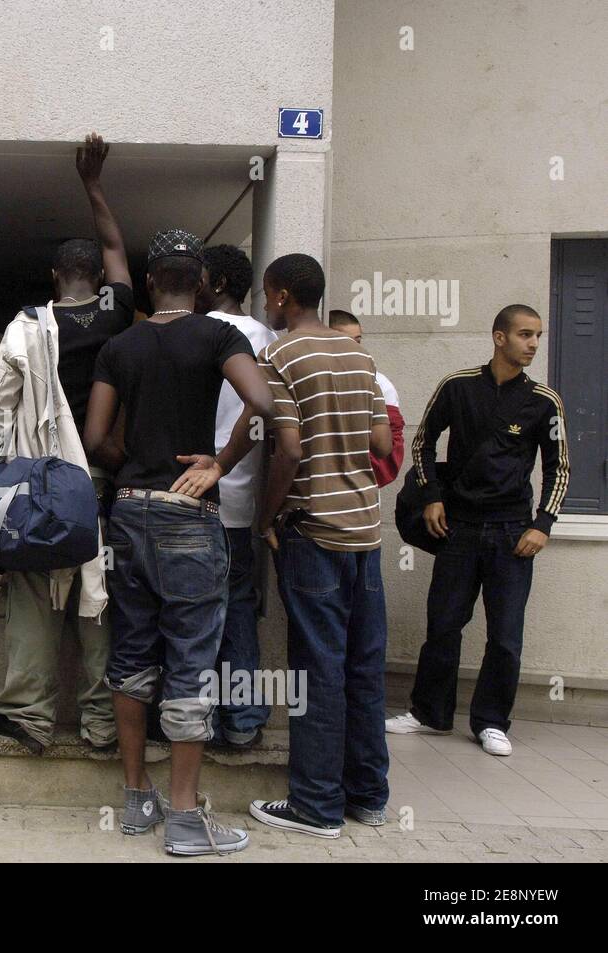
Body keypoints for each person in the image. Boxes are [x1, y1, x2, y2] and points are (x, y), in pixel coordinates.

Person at [83, 229, 275, 857]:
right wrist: (220, 463)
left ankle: (137, 798)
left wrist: (135, 464)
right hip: (188, 516)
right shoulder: (219, 336)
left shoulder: (120, 345)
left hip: (128, 515)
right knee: (191, 660)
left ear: (148, 282)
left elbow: (95, 439)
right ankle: (187, 819)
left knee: (132, 654)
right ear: (201, 284)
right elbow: (262, 403)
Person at [0, 133, 129, 755]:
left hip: (39, 482)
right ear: (97, 278)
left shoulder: (25, 327)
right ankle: (100, 723)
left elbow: (0, 407)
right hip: (97, 481)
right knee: (97, 594)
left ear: (53, 278)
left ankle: (29, 716)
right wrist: (92, 184)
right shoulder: (116, 315)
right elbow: (117, 246)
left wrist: (3, 469)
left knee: (33, 593)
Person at [246, 253, 394, 839]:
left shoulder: (279, 355)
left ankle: (315, 805)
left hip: (313, 531)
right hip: (366, 532)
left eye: (267, 294)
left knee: (317, 670)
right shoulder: (359, 354)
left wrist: (266, 517)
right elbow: (381, 442)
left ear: (283, 295)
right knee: (364, 666)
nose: (265, 304)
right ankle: (369, 796)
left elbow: (289, 449)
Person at [386, 305, 568, 757]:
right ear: (499, 337)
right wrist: (431, 496)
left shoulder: (544, 400)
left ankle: (491, 722)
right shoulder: (458, 386)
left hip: (513, 534)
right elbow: (423, 441)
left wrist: (542, 524)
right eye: (525, 334)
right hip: (459, 529)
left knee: (505, 635)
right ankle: (430, 714)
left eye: (538, 335)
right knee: (444, 625)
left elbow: (559, 467)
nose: (534, 344)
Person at [196, 243, 277, 748]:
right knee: (239, 607)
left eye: (201, 276)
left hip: (193, 495)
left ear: (219, 283)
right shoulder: (269, 340)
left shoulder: (197, 333)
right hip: (243, 505)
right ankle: (242, 719)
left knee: (190, 612)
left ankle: (192, 720)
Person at [329, 309, 404, 487]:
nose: (355, 349)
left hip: (360, 489)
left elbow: (391, 454)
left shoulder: (380, 384)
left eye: (358, 341)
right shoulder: (308, 376)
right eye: (345, 342)